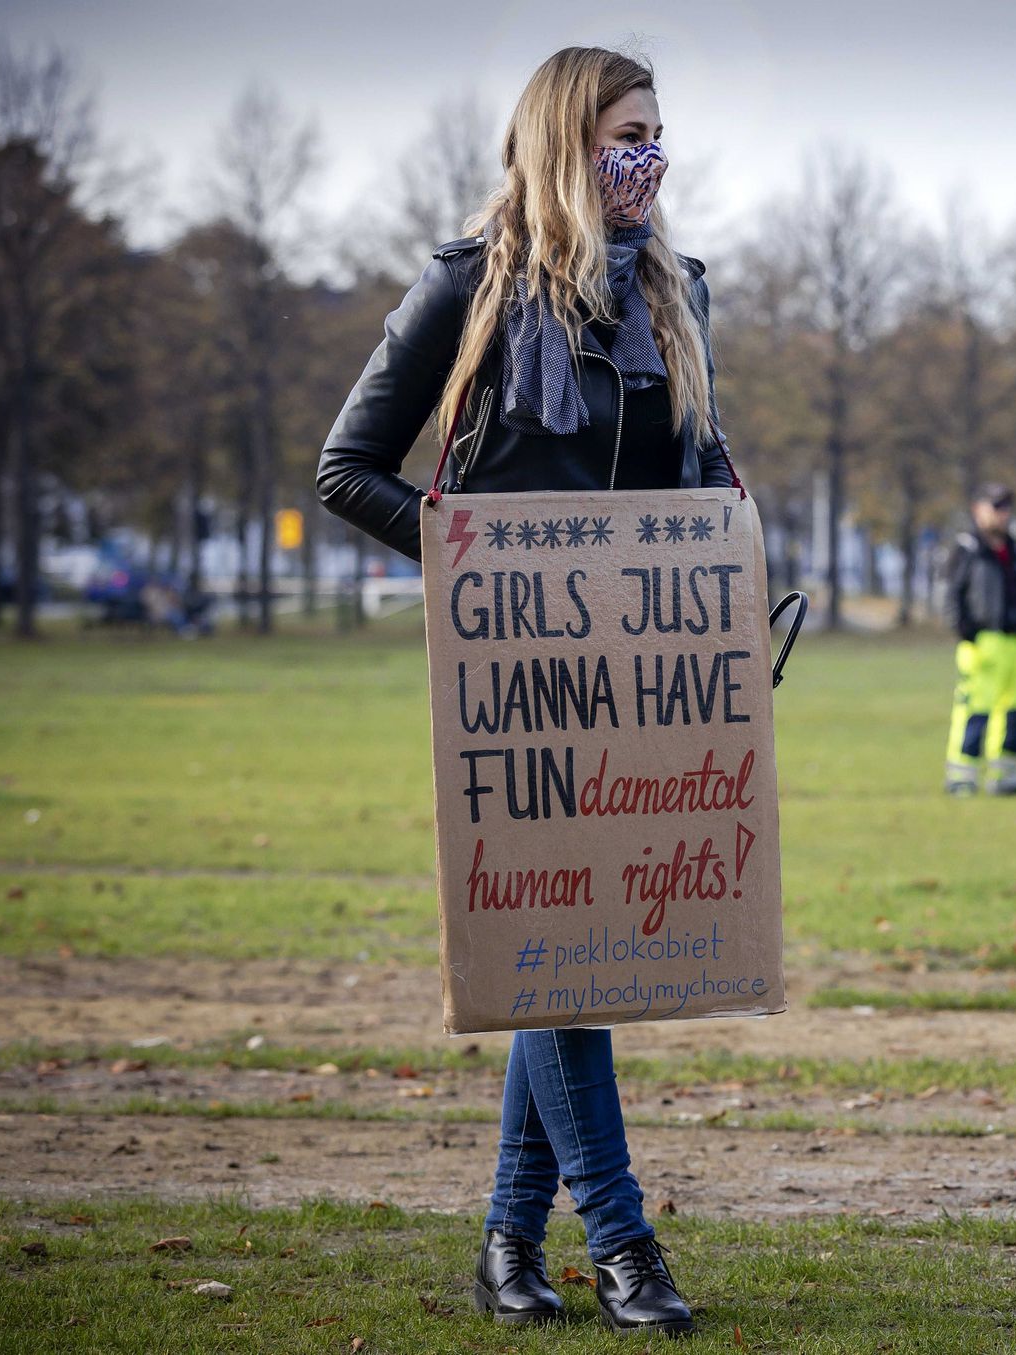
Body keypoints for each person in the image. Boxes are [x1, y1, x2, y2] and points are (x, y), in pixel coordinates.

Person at [318, 46, 736, 1337]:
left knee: (567, 961)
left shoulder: (683, 289)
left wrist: (731, 558)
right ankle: (625, 1243)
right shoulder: (466, 286)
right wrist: (481, 566)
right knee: (563, 963)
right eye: (625, 132)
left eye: (660, 132)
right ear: (567, 141)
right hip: (514, 679)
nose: (649, 156)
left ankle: (509, 1241)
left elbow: (694, 472)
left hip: (644, 680)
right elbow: (349, 468)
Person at [943, 484, 1016, 795]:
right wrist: (965, 632)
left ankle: (1005, 779)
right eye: (996, 506)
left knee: (1014, 713)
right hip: (982, 642)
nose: (1002, 513)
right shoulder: (968, 548)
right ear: (978, 508)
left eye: (1006, 507)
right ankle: (962, 778)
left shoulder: (1014, 550)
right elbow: (950, 595)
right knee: (975, 711)